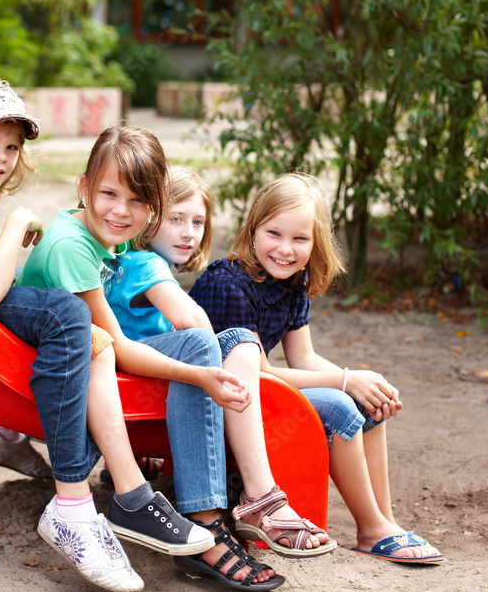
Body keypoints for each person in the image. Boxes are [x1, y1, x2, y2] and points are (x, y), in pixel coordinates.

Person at [0, 82, 217, 592]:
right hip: (27, 352)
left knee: (95, 340)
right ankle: (83, 501)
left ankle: (133, 497)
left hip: (54, 350)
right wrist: (16, 222)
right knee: (70, 317)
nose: (2, 157)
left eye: (11, 147)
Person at [16, 126, 285, 592]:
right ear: (84, 187)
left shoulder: (101, 234)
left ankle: (207, 518)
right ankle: (206, 529)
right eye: (108, 193)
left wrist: (202, 367)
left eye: (138, 201)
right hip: (70, 367)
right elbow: (113, 346)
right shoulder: (71, 246)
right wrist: (198, 376)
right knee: (199, 354)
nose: (122, 211)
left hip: (94, 354)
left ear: (153, 205)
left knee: (204, 342)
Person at [189, 173, 446, 564]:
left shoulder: (293, 282)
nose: (285, 250)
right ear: (253, 229)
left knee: (364, 402)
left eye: (300, 239)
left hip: (262, 394)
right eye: (274, 233)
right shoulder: (229, 284)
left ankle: (383, 521)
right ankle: (371, 528)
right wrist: (346, 381)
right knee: (343, 406)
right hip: (227, 404)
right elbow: (257, 372)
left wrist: (362, 383)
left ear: (317, 241)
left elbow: (303, 358)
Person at [106, 166, 336, 558]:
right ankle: (259, 496)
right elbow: (195, 325)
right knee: (236, 342)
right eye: (176, 219)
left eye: (198, 222)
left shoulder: (146, 266)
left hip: (146, 375)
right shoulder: (146, 265)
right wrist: (235, 347)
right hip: (141, 383)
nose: (188, 232)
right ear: (151, 217)